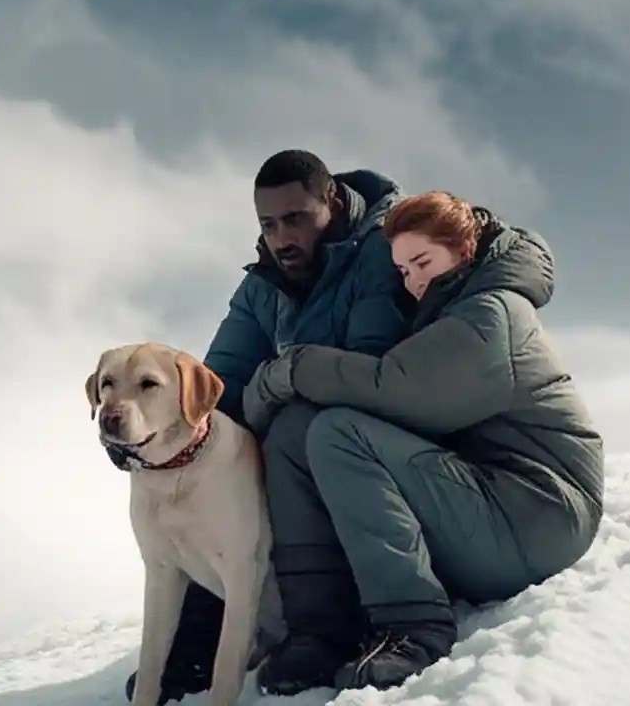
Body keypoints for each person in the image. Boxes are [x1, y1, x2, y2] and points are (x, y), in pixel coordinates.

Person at [241, 190, 604, 693]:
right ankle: (320, 628)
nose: (412, 281)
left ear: (464, 248)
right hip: (489, 502)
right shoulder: (445, 308)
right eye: (403, 270)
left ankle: (414, 627)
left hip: (540, 515)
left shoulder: (491, 314)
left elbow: (397, 388)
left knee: (341, 433)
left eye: (422, 262)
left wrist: (293, 368)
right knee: (299, 429)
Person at [119, 149, 413, 704]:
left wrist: (281, 383)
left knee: (294, 435)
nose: (281, 238)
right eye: (268, 224)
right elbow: (211, 392)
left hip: (370, 445)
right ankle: (201, 640)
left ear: (330, 202)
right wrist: (154, 436)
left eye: (295, 219)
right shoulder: (263, 285)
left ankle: (320, 632)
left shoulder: (378, 255)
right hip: (303, 436)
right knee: (218, 469)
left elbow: (373, 370)